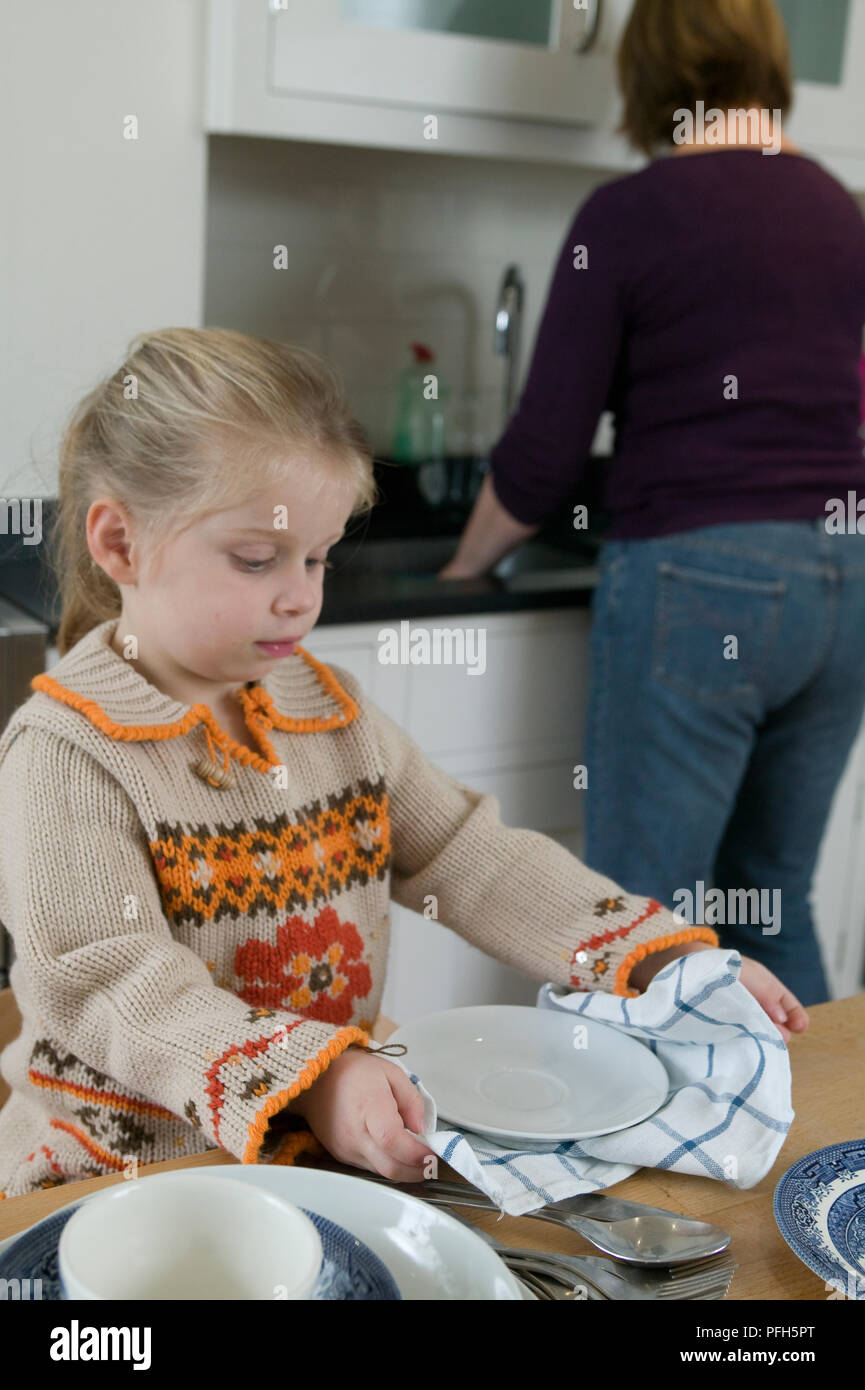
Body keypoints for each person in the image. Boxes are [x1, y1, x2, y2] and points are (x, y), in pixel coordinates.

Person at [0, 327, 806, 1201]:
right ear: (119, 545)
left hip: (325, 1150)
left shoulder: (328, 710)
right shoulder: (68, 753)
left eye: (317, 557)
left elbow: (469, 859)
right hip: (128, 1176)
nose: (301, 594)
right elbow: (108, 976)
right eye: (257, 559)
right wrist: (311, 1078)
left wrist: (652, 955)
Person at [440, 0, 865, 1007]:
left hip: (702, 574)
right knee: (772, 896)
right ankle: (822, 1160)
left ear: (647, 71)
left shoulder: (627, 218)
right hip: (845, 579)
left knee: (642, 922)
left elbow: (544, 455)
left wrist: (458, 572)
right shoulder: (843, 210)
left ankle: (635, 1168)